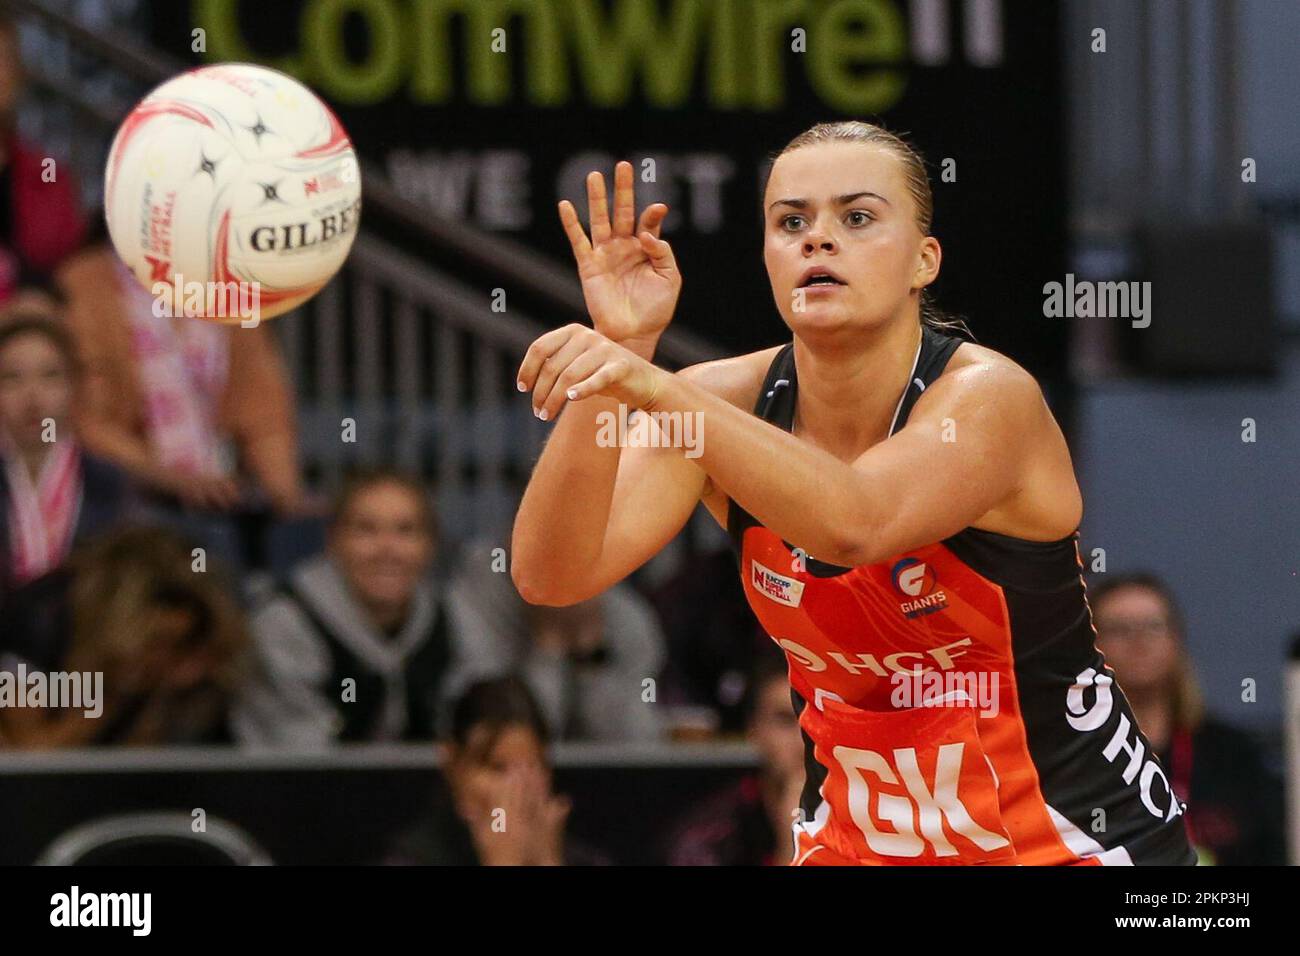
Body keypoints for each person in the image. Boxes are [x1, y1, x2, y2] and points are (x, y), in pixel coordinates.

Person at [510, 121, 1195, 865]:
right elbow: (552, 575)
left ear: (923, 261)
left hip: (1071, 843)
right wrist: (616, 357)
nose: (818, 240)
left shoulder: (991, 400)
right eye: (791, 222)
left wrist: (652, 388)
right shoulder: (719, 404)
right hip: (856, 844)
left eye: (857, 217)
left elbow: (856, 523)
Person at [233, 469, 500, 747]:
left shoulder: (455, 617)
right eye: (366, 529)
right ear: (333, 540)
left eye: (406, 530)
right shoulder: (284, 622)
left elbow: (485, 738)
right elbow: (294, 762)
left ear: (430, 544)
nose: (387, 549)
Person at [1090, 572, 1286, 865]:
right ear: (1091, 645)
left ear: (1176, 638)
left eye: (1153, 626)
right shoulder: (1074, 757)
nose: (1139, 641)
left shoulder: (1234, 755)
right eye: (1119, 629)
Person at [0, 525, 248, 748]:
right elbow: (28, 758)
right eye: (161, 643)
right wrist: (106, 701)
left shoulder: (177, 669)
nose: (183, 669)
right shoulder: (38, 621)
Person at [383, 676, 608, 866]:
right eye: (498, 768)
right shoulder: (407, 860)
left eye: (531, 767)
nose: (517, 789)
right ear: (453, 764)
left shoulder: (586, 861)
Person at [0, 310, 132, 600]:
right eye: (12, 378)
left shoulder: (110, 483)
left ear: (74, 388)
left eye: (50, 376)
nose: (32, 396)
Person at [663, 649, 806, 865]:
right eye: (785, 721)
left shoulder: (867, 820)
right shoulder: (712, 835)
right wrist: (791, 845)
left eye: (814, 721)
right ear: (753, 730)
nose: (802, 740)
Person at [0, 14, 88, 306]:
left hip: (33, 333)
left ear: (19, 76)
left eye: (3, 59)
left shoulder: (47, 176)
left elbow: (67, 274)